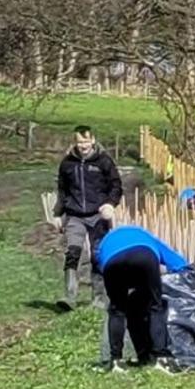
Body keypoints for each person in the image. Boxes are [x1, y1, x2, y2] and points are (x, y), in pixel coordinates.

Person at [96, 225, 191, 374]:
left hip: (112, 262)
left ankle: (116, 361)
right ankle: (161, 358)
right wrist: (188, 271)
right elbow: (177, 262)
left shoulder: (104, 242)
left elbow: (100, 266)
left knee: (117, 311)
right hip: (144, 256)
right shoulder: (144, 236)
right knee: (155, 307)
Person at [53, 125, 122, 310]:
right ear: (74, 142)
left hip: (97, 215)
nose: (82, 145)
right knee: (72, 253)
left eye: (85, 141)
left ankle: (98, 298)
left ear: (92, 140)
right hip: (75, 215)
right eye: (79, 141)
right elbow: (62, 190)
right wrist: (58, 214)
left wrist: (110, 204)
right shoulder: (67, 163)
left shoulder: (104, 162)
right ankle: (69, 297)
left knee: (97, 255)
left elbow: (116, 186)